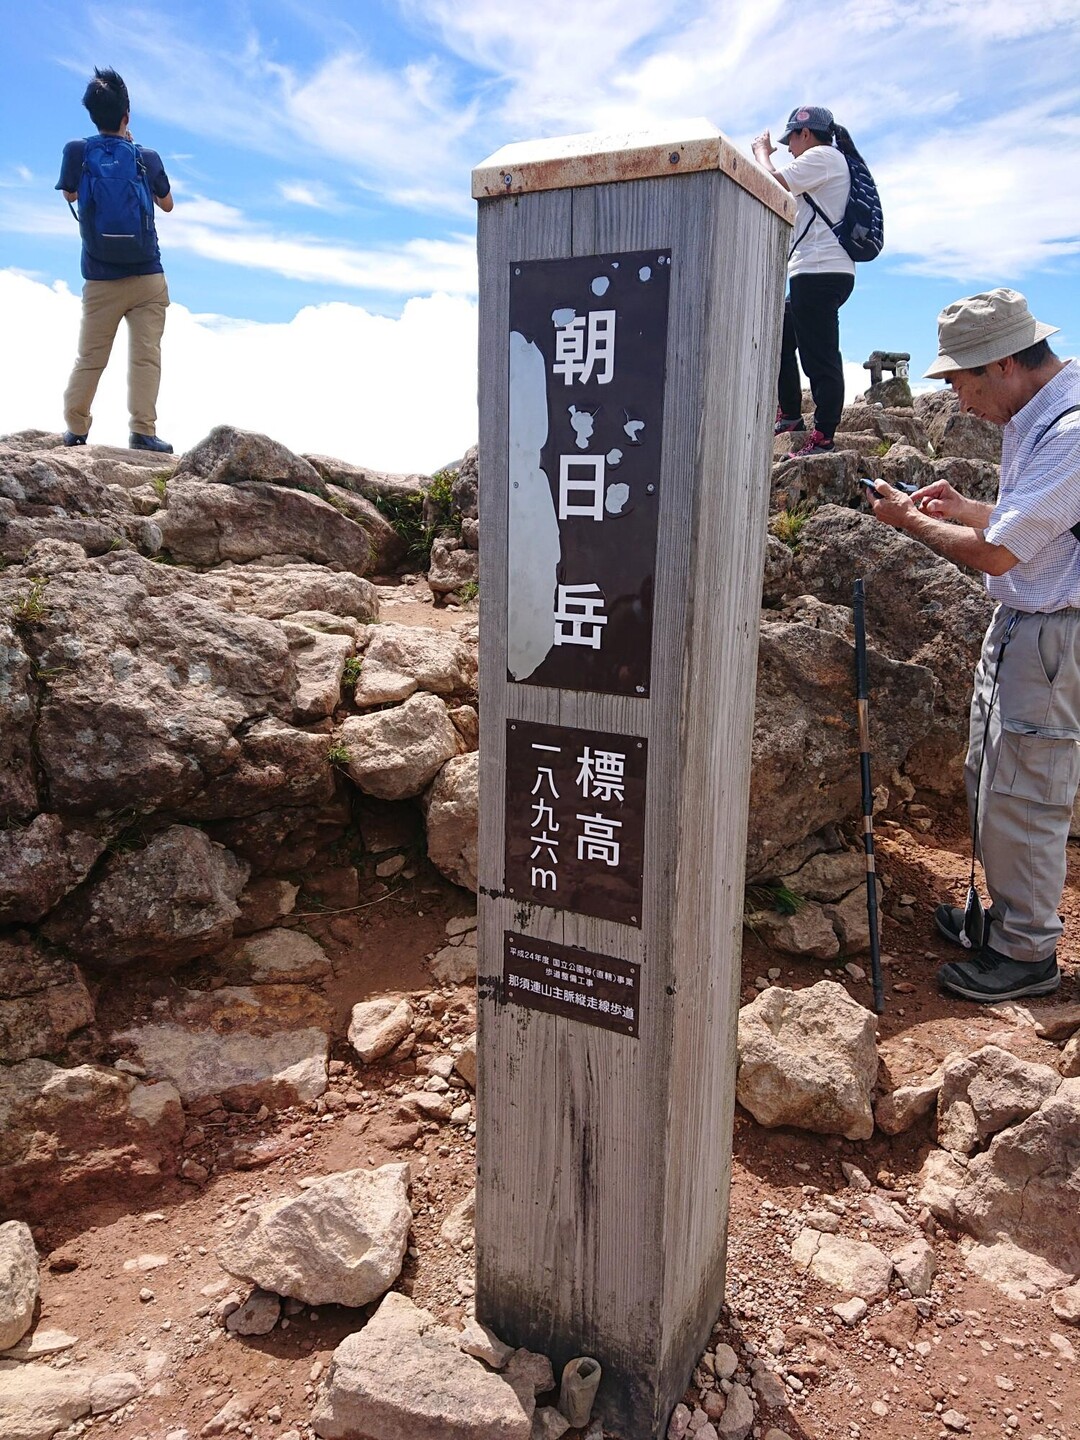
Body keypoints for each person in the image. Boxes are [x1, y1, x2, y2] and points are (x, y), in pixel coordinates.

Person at [867, 288, 1080, 1003]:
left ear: (1004, 363)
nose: (958, 400)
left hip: (1052, 633)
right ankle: (1006, 919)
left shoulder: (1072, 432)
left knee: (1025, 791)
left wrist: (910, 522)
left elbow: (997, 554)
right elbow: (1031, 526)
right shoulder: (1037, 416)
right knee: (992, 775)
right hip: (1024, 624)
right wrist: (965, 510)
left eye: (962, 381)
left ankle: (1026, 953)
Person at [56, 67, 174, 452]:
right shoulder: (147, 157)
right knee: (146, 357)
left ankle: (76, 430)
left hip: (100, 276)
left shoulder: (77, 151)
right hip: (147, 276)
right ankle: (143, 431)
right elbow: (167, 204)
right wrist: (132, 153)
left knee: (91, 357)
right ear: (127, 115)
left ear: (93, 115)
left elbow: (71, 195)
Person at [752, 105, 858, 457]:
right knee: (781, 334)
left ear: (806, 133)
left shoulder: (822, 157)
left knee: (819, 356)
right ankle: (790, 416)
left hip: (819, 271)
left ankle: (824, 436)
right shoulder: (825, 162)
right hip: (819, 270)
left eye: (792, 141)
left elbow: (771, 182)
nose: (790, 149)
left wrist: (762, 153)